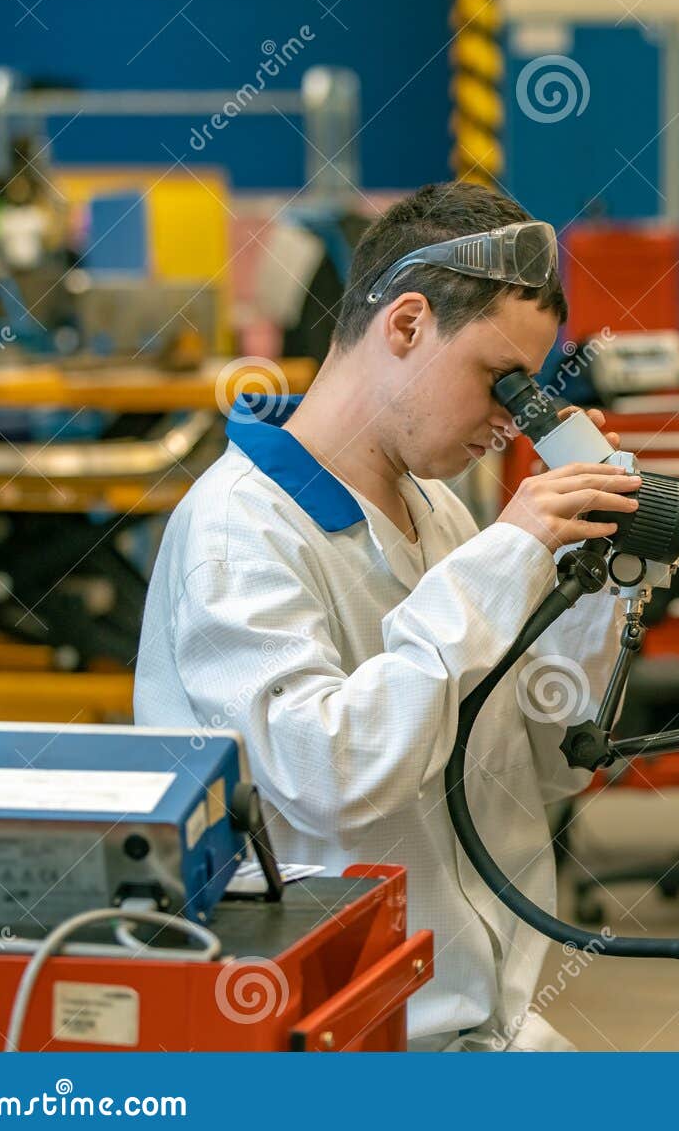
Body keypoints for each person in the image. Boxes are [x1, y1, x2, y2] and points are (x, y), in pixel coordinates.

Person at [134, 181, 641, 1050]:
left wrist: (592, 584)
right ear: (404, 325)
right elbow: (333, 776)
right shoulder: (241, 528)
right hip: (340, 1044)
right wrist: (505, 558)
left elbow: (544, 764)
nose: (509, 423)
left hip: (490, 1025)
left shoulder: (438, 512)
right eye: (498, 380)